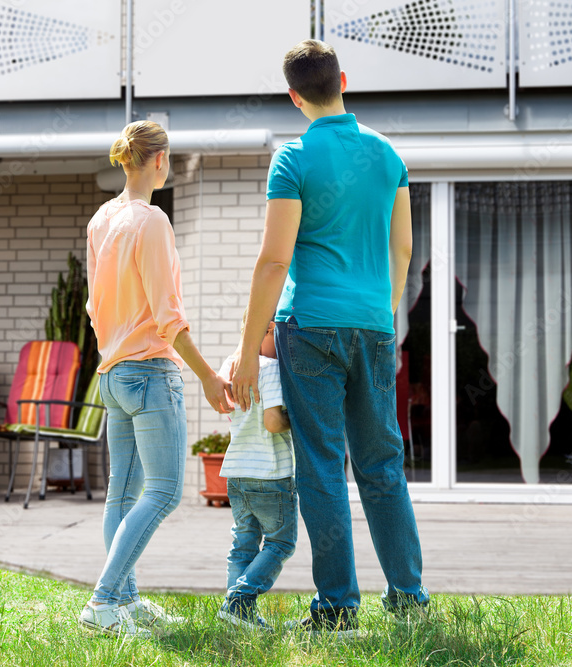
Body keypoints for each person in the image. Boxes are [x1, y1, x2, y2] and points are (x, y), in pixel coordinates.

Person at [231, 40, 428, 637]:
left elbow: (273, 261)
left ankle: (338, 606)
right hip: (372, 326)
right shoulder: (387, 154)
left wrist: (245, 354)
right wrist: (383, 312)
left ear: (294, 96)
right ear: (343, 79)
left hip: (310, 328)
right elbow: (404, 248)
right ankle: (408, 598)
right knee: (381, 464)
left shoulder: (291, 159)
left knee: (320, 465)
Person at [80, 120, 233, 637]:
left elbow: (92, 306)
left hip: (113, 374)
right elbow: (170, 317)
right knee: (165, 492)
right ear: (160, 160)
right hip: (149, 371)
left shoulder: (102, 219)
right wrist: (210, 376)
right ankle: (103, 601)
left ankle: (124, 601)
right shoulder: (152, 222)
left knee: (121, 496)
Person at [216, 318, 297, 632]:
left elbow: (224, 404)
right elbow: (273, 422)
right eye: (282, 334)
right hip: (269, 473)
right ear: (268, 330)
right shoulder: (270, 368)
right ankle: (238, 599)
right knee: (280, 543)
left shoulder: (231, 364)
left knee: (243, 544)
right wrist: (298, 421)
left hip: (237, 471)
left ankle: (239, 615)